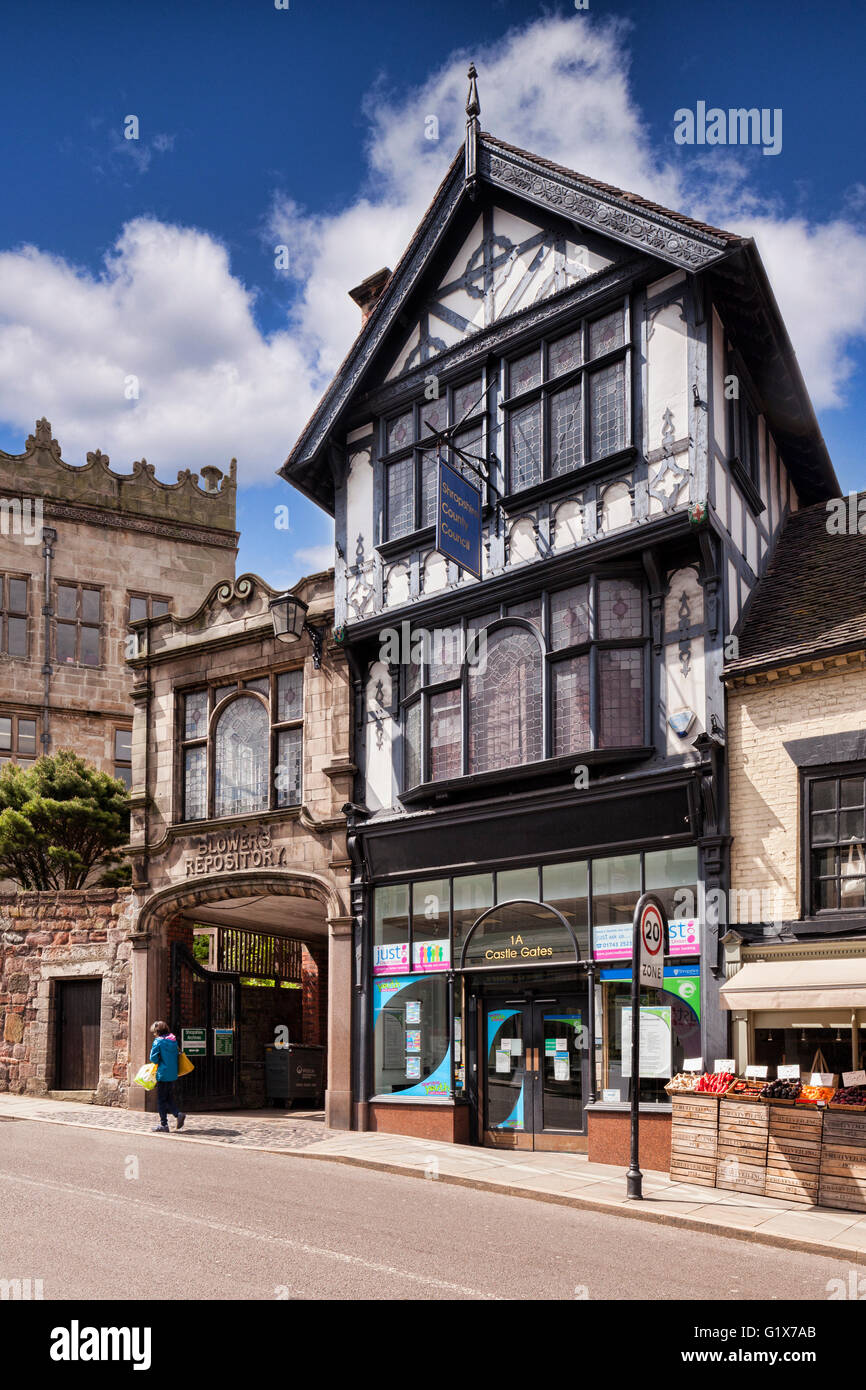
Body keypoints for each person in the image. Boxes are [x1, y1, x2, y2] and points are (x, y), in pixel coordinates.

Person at [149, 1021, 186, 1134]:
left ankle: (164, 1124)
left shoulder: (158, 1042)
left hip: (163, 1073)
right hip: (172, 1073)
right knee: (168, 1097)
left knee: (161, 1100)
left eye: (154, 1032)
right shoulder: (173, 1040)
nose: (154, 1034)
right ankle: (178, 1114)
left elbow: (153, 1058)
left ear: (157, 1031)